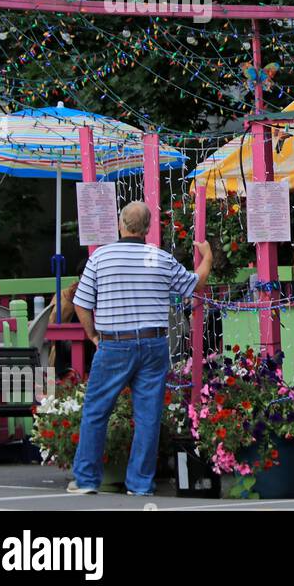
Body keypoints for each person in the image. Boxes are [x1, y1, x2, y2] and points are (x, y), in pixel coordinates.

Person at [68, 202, 211, 496]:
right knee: (147, 416)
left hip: (114, 343)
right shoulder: (160, 258)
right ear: (147, 228)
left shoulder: (100, 258)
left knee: (96, 411)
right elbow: (194, 284)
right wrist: (207, 256)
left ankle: (86, 480)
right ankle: (140, 484)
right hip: (153, 342)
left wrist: (93, 335)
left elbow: (81, 303)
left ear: (120, 223)